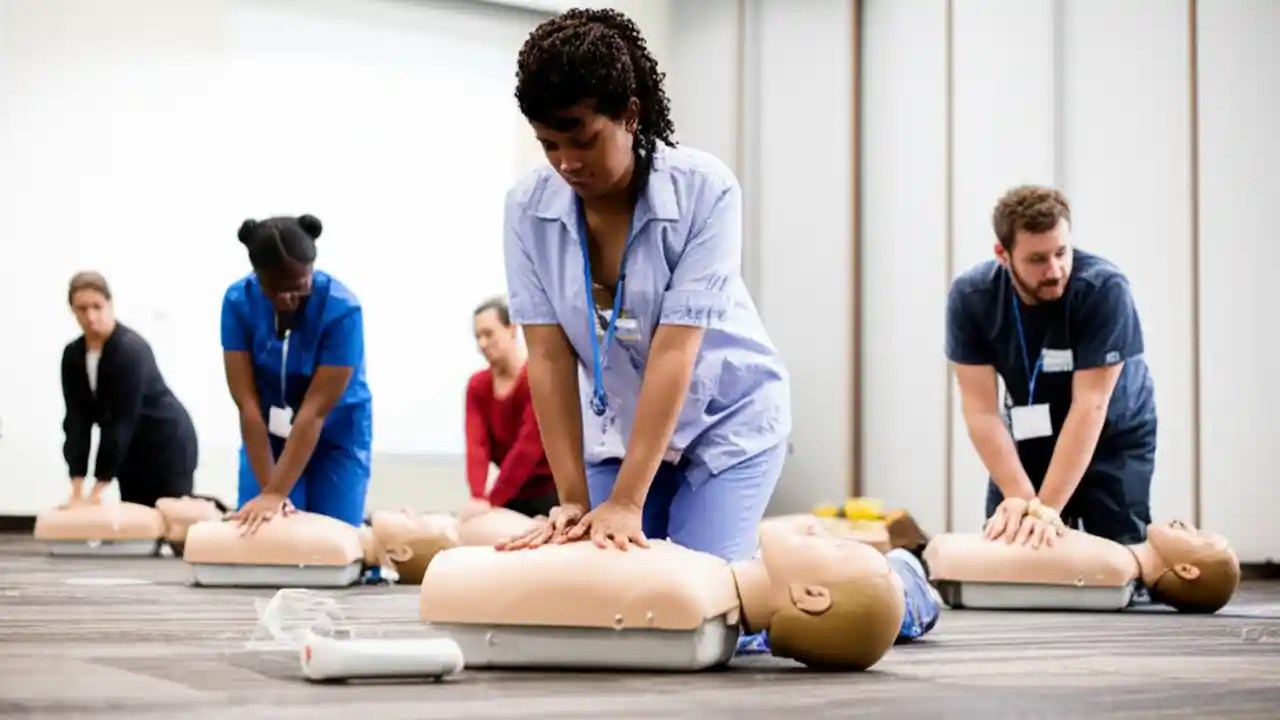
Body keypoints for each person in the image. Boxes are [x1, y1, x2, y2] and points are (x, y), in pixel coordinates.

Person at [493, 8, 792, 565]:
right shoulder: (526, 209)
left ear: (630, 115)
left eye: (582, 139)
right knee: (604, 588)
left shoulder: (706, 190)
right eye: (548, 144)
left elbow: (675, 350)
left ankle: (896, 581)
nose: (566, 162)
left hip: (724, 424)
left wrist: (627, 503)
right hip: (619, 435)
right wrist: (573, 501)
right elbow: (548, 358)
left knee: (697, 594)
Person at [946, 185, 1157, 548]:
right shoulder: (972, 298)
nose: (1055, 270)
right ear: (1003, 254)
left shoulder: (1104, 289)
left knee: (1118, 561)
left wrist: (1045, 512)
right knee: (1011, 548)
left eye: (1062, 252)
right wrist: (1023, 500)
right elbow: (980, 412)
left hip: (1109, 434)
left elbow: (1090, 406)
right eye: (1037, 259)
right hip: (1031, 435)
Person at [220, 214, 373, 535]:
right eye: (275, 289)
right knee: (260, 531)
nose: (287, 298)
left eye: (298, 287)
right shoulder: (238, 303)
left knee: (332, 536)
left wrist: (276, 493)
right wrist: (268, 493)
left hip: (335, 432)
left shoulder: (342, 310)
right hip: (266, 434)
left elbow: (314, 412)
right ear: (257, 277)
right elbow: (246, 404)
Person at [59, 271, 199, 508]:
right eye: (82, 309)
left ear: (110, 304)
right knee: (137, 517)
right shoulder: (73, 355)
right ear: (72, 310)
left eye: (97, 306)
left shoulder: (130, 351)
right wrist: (77, 490)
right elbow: (76, 421)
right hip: (130, 452)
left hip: (165, 443)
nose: (91, 316)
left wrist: (96, 492)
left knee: (170, 518)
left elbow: (121, 420)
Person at [464, 296, 557, 518]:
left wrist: (492, 501)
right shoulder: (477, 386)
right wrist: (478, 497)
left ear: (512, 329)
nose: (482, 344)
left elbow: (528, 448)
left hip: (549, 492)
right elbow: (476, 446)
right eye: (478, 337)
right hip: (509, 495)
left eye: (489, 334)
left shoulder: (535, 379)